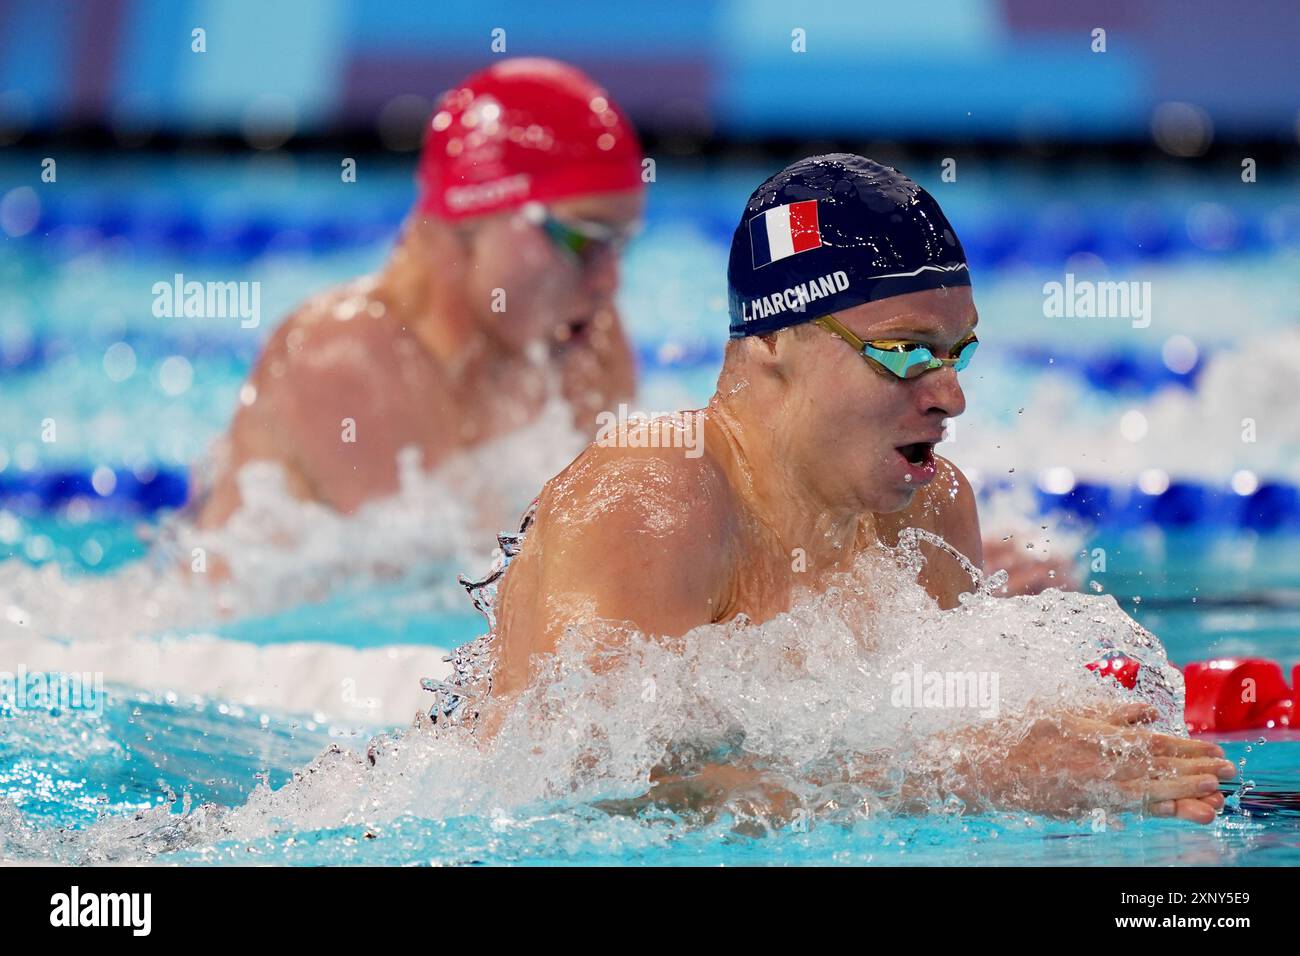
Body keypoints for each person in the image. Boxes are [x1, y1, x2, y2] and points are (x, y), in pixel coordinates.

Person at [442, 154, 1232, 825]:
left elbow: (911, 740)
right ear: (775, 340)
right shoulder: (653, 500)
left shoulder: (932, 507)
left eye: (958, 353)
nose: (951, 397)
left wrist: (1041, 742)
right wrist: (979, 778)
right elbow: (584, 801)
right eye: (904, 352)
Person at [194, 58, 644, 527]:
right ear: (473, 216)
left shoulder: (592, 341)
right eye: (582, 241)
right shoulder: (340, 357)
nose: (609, 281)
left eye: (620, 246)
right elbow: (440, 585)